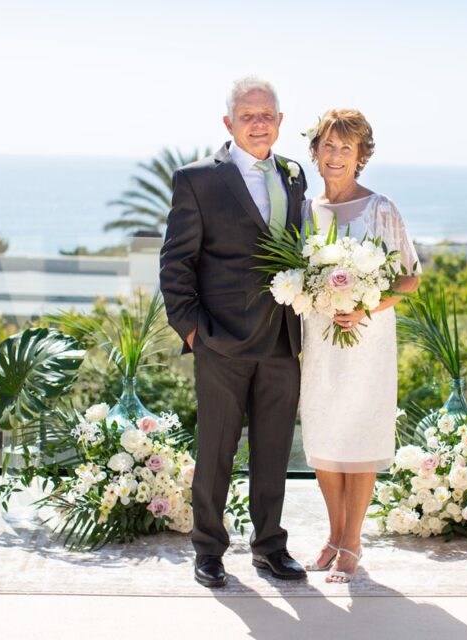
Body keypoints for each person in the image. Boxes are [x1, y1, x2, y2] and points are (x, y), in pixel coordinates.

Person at [159, 77, 308, 588]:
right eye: (248, 115)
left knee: (273, 452)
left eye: (267, 114)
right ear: (229, 123)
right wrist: (195, 332)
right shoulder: (197, 179)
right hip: (220, 340)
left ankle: (269, 547)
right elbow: (176, 263)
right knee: (215, 450)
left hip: (283, 341)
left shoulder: (293, 175)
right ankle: (208, 550)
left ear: (280, 121)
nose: (259, 122)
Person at [299, 109, 421, 583]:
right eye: (328, 146)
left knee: (360, 435)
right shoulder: (306, 211)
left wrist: (366, 308)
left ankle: (353, 541)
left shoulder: (381, 208)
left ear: (361, 156)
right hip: (321, 340)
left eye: (345, 149)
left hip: (367, 340)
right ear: (316, 151)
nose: (335, 156)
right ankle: (333, 536)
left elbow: (410, 279)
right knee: (326, 435)